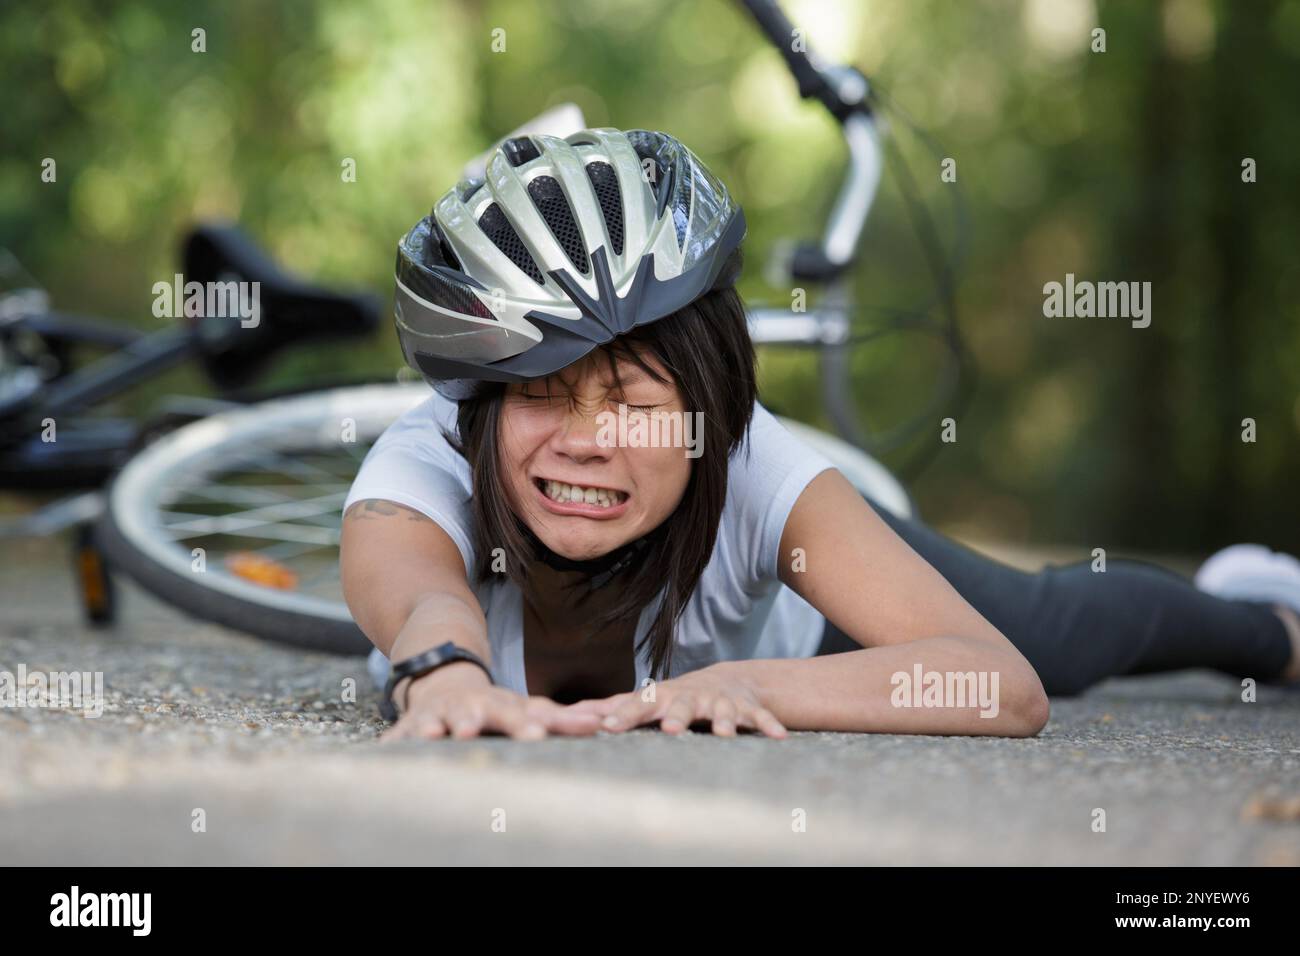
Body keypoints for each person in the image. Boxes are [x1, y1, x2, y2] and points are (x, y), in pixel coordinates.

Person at [340, 128, 1300, 741]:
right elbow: (425, 606)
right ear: (484, 406)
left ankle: (1264, 622)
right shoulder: (425, 465)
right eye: (543, 395)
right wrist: (443, 681)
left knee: (1053, 630)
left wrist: (746, 684)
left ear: (707, 407)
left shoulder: (758, 469)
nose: (587, 441)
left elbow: (1003, 686)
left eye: (634, 397)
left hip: (808, 630)